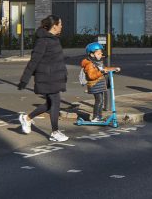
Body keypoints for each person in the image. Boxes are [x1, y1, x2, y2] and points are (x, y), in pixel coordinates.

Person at [18, 14, 69, 142]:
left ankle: (27, 118)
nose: (62, 26)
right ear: (54, 26)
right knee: (55, 102)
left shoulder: (53, 39)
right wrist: (25, 79)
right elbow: (34, 61)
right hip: (47, 78)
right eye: (60, 24)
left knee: (49, 104)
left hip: (54, 77)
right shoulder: (43, 41)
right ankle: (55, 132)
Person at [80, 42, 120, 122]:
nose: (100, 55)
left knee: (101, 101)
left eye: (101, 53)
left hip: (99, 84)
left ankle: (99, 116)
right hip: (94, 85)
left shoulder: (98, 63)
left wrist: (114, 69)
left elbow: (104, 68)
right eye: (98, 54)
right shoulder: (90, 64)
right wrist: (101, 72)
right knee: (99, 101)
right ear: (92, 55)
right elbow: (91, 76)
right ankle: (95, 117)